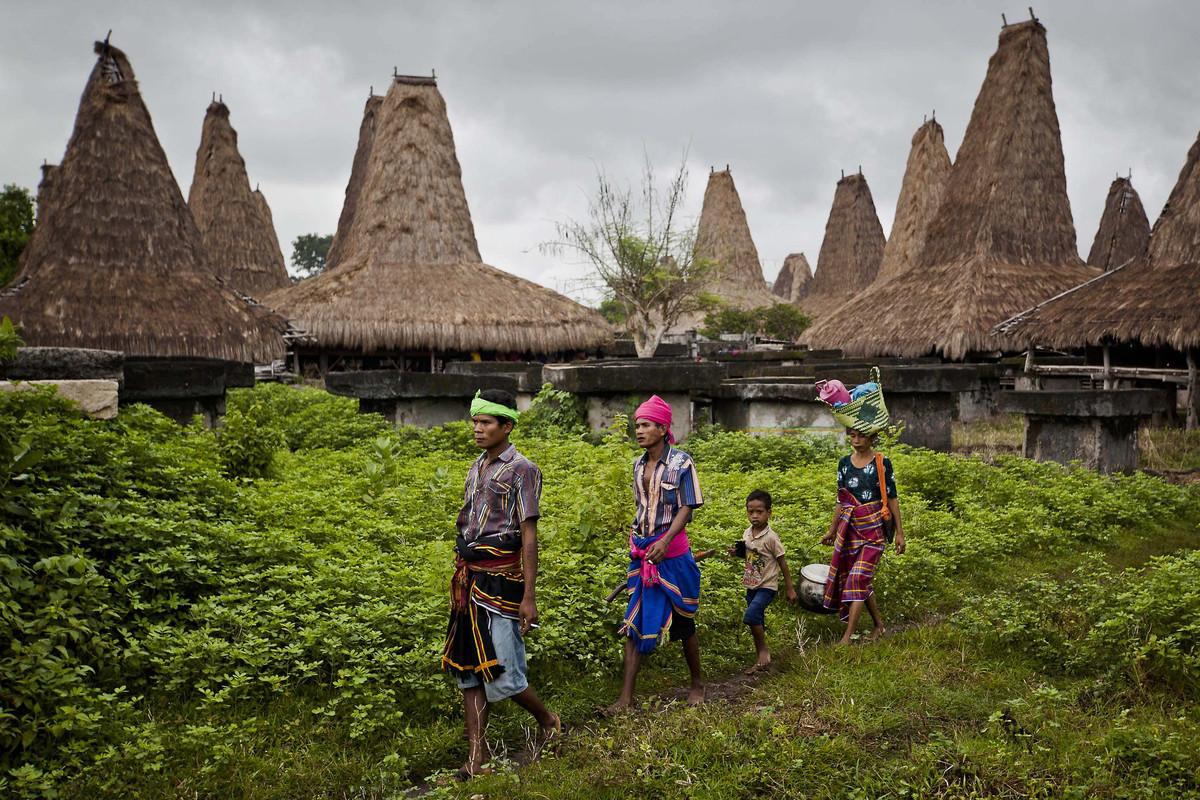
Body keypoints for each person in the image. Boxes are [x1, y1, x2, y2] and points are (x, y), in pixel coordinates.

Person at [441, 388, 560, 781]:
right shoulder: (477, 465)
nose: (478, 429)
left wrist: (530, 595)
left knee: (505, 674)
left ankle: (548, 720)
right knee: (470, 672)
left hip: (503, 582)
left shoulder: (523, 469)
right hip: (470, 581)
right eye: (475, 421)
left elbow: (528, 535)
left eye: (486, 422)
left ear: (506, 426)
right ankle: (476, 757)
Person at [606, 395, 705, 713]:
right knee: (633, 621)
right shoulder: (637, 466)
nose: (639, 430)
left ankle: (698, 684)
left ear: (663, 428)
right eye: (637, 425)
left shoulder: (682, 463)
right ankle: (625, 699)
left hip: (672, 555)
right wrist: (637, 541)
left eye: (646, 424)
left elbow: (687, 507)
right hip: (643, 555)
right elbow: (642, 509)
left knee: (683, 623)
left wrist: (665, 541)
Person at [820, 428, 905, 645]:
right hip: (851, 529)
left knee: (857, 578)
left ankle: (847, 637)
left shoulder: (882, 462)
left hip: (874, 530)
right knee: (862, 580)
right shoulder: (844, 463)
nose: (856, 441)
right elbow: (841, 500)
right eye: (853, 436)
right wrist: (832, 530)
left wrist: (900, 533)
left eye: (862, 436)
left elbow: (892, 497)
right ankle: (879, 625)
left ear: (873, 437)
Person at [727, 489, 797, 674]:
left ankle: (763, 653)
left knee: (751, 616)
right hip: (751, 584)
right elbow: (745, 555)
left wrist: (789, 588)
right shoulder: (746, 534)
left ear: (769, 513)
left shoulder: (771, 537)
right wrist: (735, 553)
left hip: (767, 586)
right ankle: (764, 661)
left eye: (759, 512)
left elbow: (782, 562)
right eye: (751, 512)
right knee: (757, 620)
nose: (755, 515)